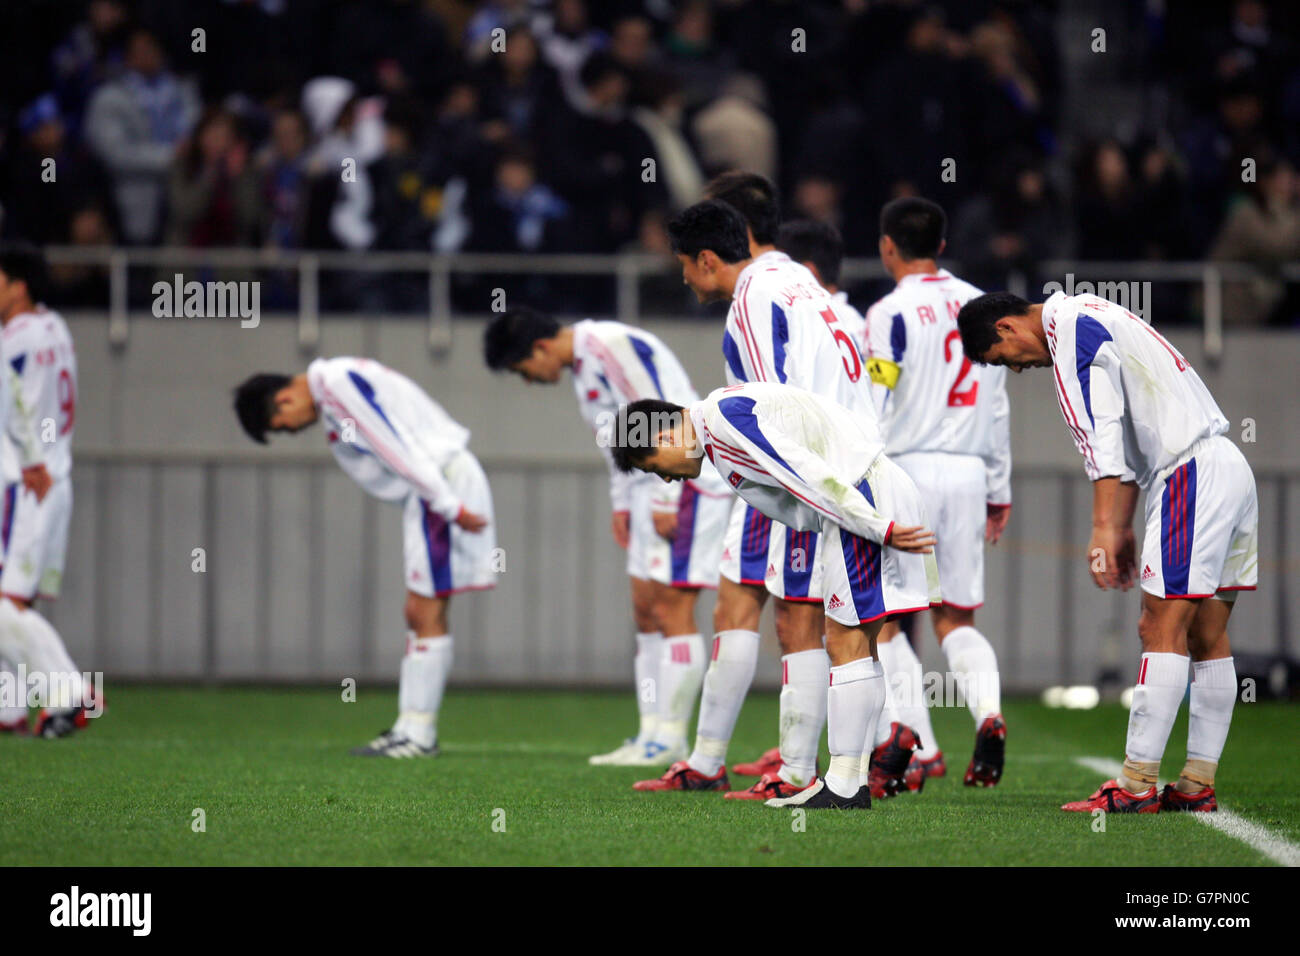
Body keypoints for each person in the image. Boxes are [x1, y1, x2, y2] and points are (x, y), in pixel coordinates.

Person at [647, 186, 925, 800]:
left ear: (709, 257)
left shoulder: (754, 296)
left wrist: (846, 510)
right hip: (842, 463)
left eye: (684, 264)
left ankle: (801, 771)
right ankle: (812, 767)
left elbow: (775, 412)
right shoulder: (795, 279)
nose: (686, 280)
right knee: (825, 626)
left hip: (815, 473)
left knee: (805, 625)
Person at [957, 290, 1257, 813]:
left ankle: (1136, 785)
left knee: (1157, 626)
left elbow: (1103, 437)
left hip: (1189, 476)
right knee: (1207, 632)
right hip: (1225, 466)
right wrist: (1122, 525)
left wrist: (1101, 527)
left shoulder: (1065, 332)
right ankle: (1195, 783)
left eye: (1008, 361)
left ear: (1006, 328)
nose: (1021, 369)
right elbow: (1133, 423)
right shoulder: (1092, 311)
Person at [609, 382, 939, 809]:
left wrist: (878, 526)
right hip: (863, 499)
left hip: (861, 501)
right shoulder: (716, 430)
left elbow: (805, 473)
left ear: (666, 436)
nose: (666, 477)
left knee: (845, 641)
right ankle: (852, 780)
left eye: (656, 466)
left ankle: (843, 786)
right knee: (860, 644)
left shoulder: (724, 420)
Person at [483, 305, 731, 766]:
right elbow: (615, 437)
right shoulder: (583, 369)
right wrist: (622, 501)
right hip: (644, 488)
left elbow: (670, 421)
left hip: (685, 482)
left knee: (672, 607)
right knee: (645, 612)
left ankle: (672, 738)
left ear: (540, 348)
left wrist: (662, 499)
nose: (530, 381)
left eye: (524, 371)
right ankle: (651, 733)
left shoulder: (613, 349)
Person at [233, 358, 496, 757]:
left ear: (284, 399)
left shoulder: (336, 385)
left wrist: (446, 504)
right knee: (421, 611)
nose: (290, 431)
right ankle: (411, 726)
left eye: (281, 426)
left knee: (424, 610)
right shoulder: (336, 384)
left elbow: (393, 445)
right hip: (433, 486)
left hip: (437, 486)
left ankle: (419, 733)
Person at [862, 197, 1012, 791]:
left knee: (889, 617)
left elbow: (876, 398)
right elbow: (997, 407)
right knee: (957, 617)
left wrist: (860, 481)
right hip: (970, 471)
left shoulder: (890, 313)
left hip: (906, 470)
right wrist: (998, 488)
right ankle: (989, 715)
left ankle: (918, 747)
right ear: (943, 245)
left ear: (886, 246)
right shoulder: (983, 307)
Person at [0, 243, 89, 738]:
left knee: (6, 606)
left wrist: (30, 458)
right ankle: (9, 708)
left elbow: (9, 402)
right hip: (56, 478)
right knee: (14, 602)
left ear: (19, 286)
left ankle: (72, 695)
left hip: (26, 481)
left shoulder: (14, 338)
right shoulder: (56, 327)